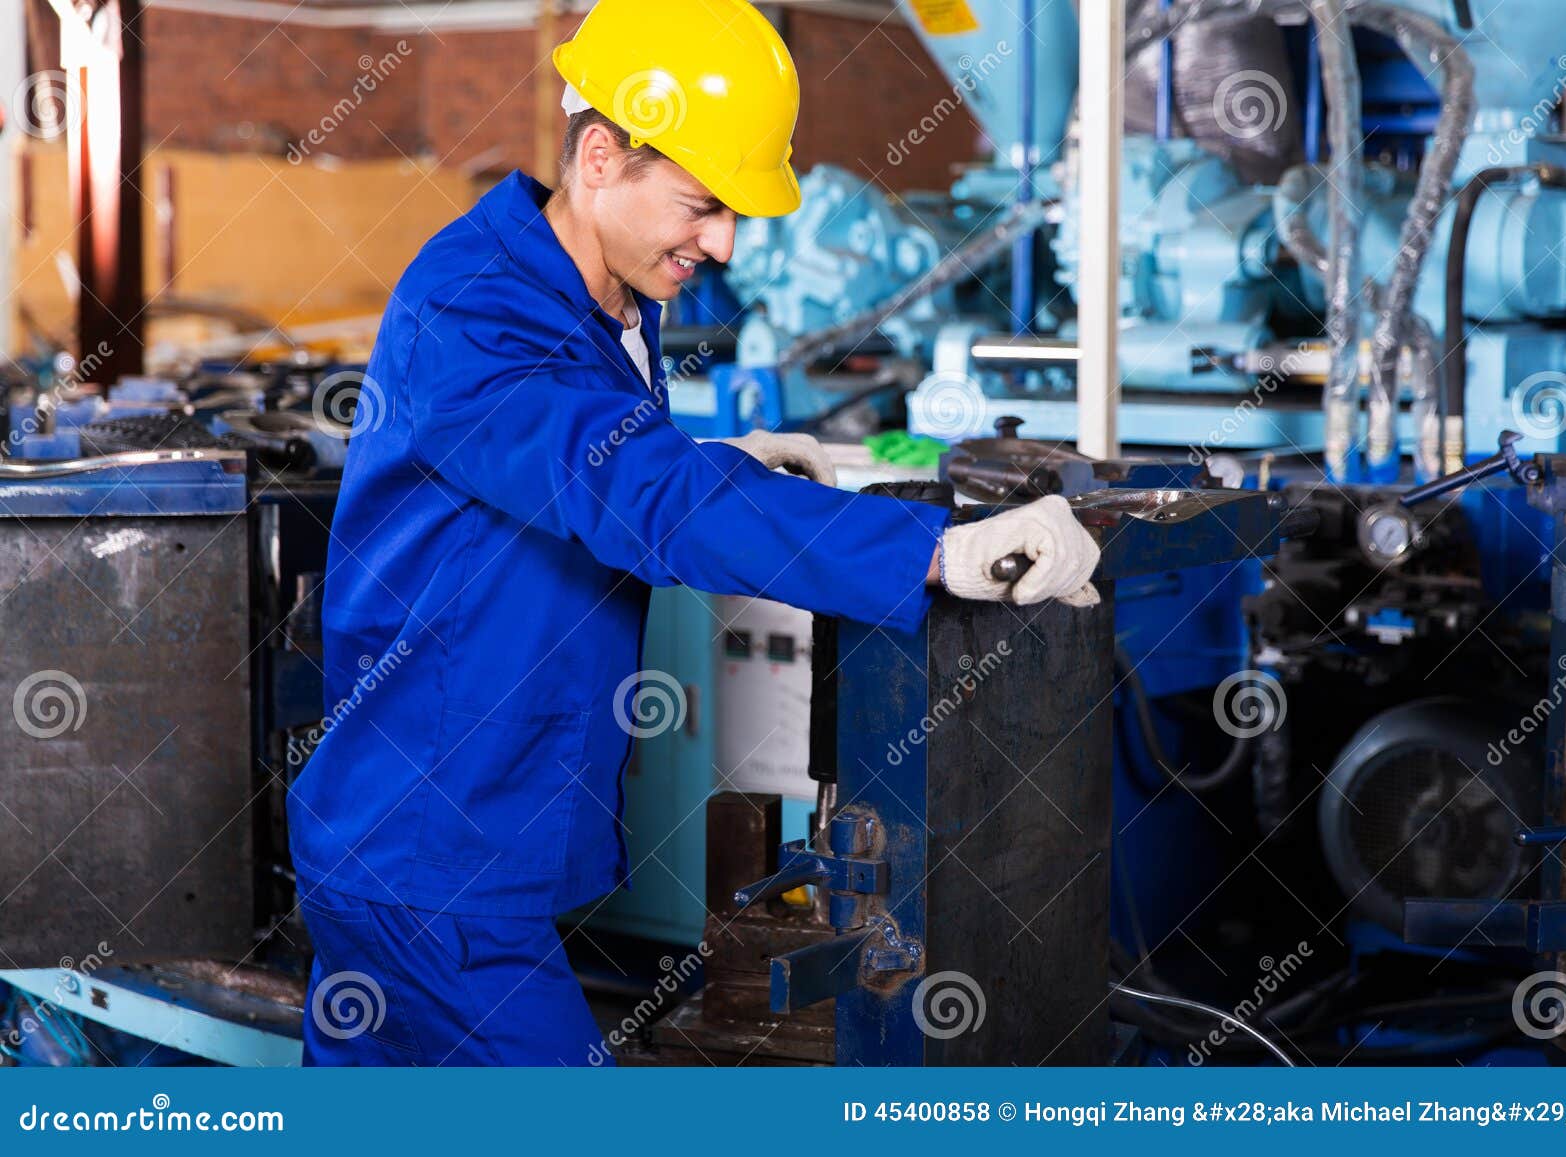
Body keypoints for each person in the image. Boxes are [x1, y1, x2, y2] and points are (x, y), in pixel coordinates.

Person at [287, 0, 1100, 1066]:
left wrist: (732, 464)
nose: (719, 243)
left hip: (464, 839)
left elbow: (599, 469)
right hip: (429, 857)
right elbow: (640, 496)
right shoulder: (475, 314)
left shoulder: (602, 287)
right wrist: (938, 551)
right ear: (599, 157)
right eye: (702, 204)